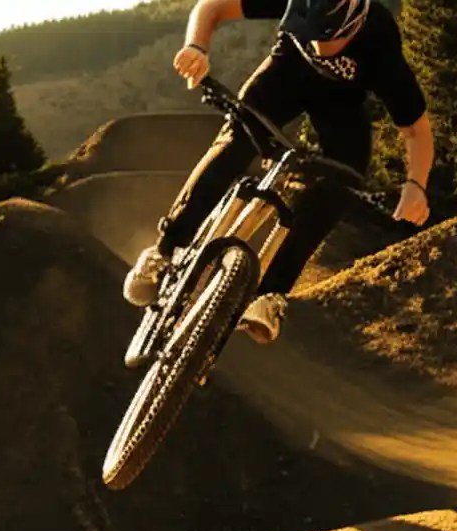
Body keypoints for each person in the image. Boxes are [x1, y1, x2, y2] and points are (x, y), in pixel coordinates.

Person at [122, 0, 434, 344]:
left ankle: (270, 296)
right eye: (308, 36)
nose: (316, 47)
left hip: (341, 106)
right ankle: (164, 249)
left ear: (352, 26)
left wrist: (416, 184)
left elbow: (416, 130)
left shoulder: (379, 40)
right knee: (236, 139)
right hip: (284, 76)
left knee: (340, 187)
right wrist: (197, 47)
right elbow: (211, 7)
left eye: (323, 40)